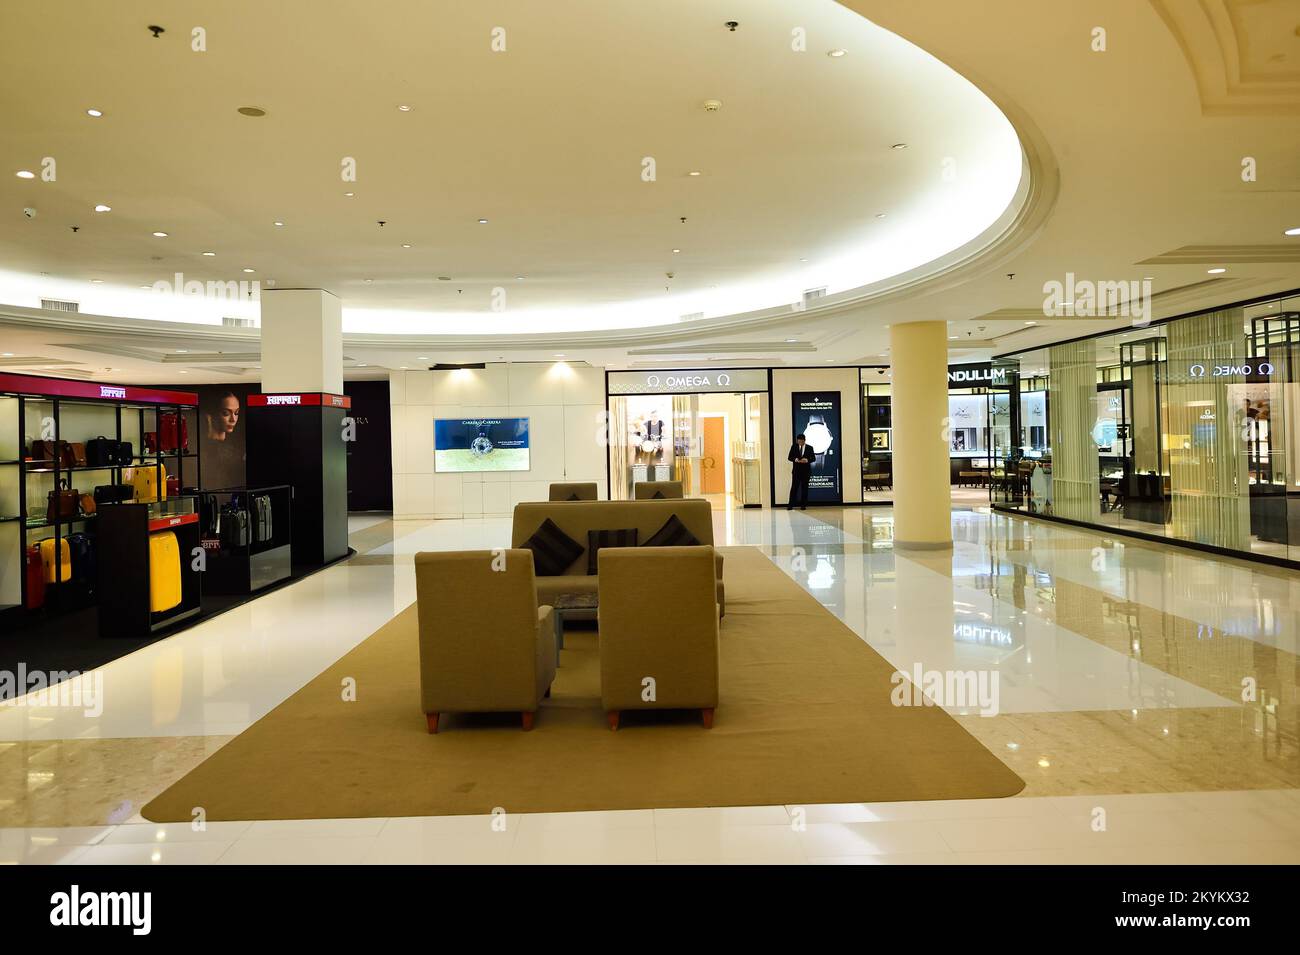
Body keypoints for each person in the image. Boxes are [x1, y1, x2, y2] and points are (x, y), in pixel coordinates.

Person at [787, 433, 815, 510]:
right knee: (794, 488)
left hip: (806, 472)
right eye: (799, 441)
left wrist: (807, 460)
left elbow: (813, 458)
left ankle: (803, 505)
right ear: (797, 440)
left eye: (801, 441)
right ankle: (790, 505)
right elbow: (789, 457)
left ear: (804, 440)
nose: (800, 443)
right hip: (796, 471)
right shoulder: (794, 447)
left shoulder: (810, 448)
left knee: (804, 488)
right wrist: (795, 459)